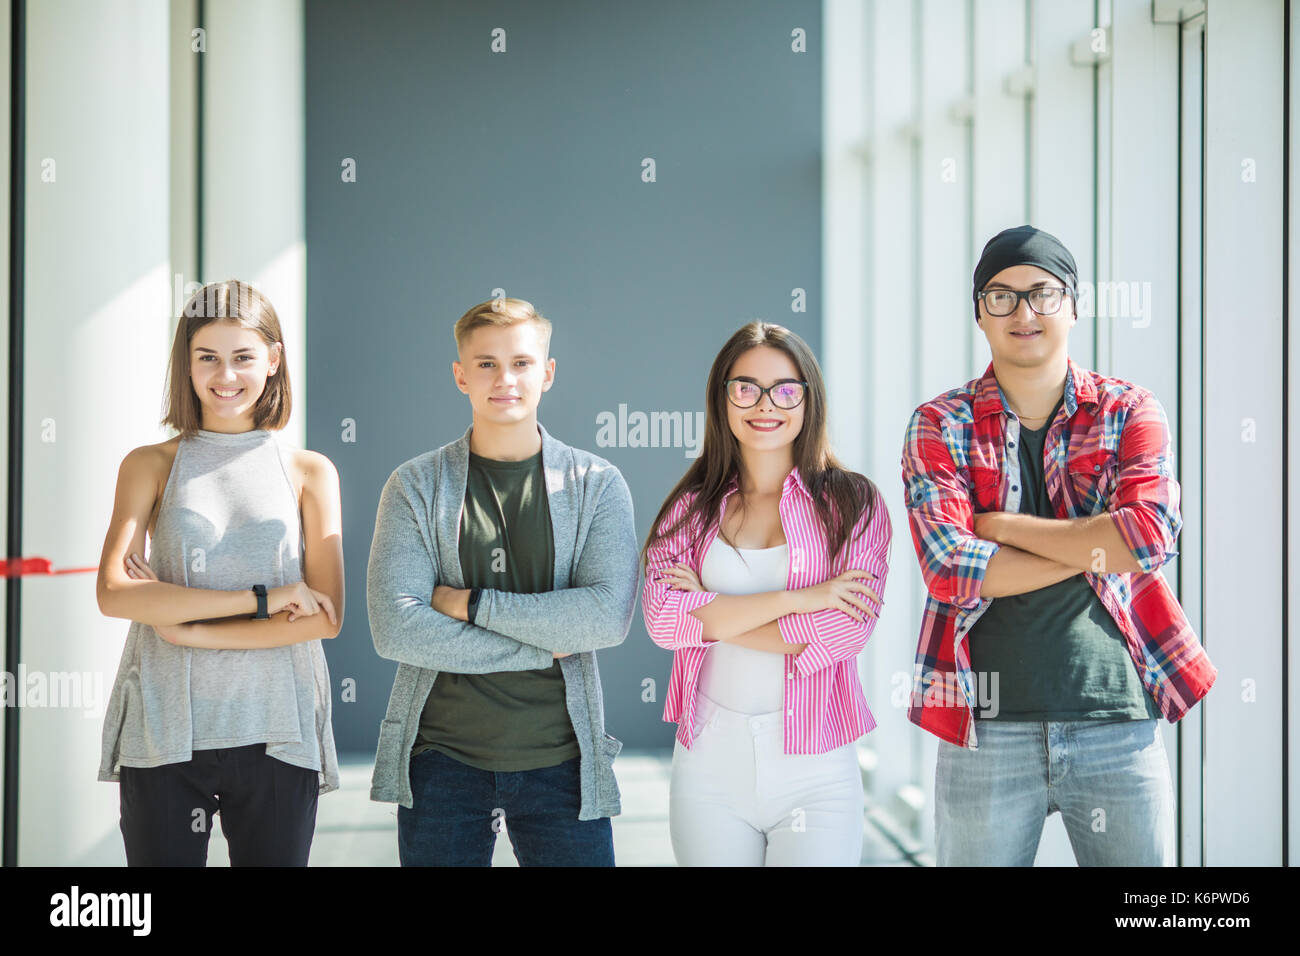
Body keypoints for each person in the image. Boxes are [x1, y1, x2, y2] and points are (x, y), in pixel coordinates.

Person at [901, 224, 1217, 866]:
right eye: (1002, 296)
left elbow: (1148, 538)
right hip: (982, 724)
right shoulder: (939, 422)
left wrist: (1002, 527)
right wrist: (1092, 542)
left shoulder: (1130, 410)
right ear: (980, 315)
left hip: (1116, 718)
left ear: (1073, 306)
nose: (1024, 312)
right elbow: (952, 569)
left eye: (1043, 293)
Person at [367, 296, 638, 867]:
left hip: (564, 762)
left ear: (548, 372)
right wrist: (544, 638)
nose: (504, 378)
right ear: (461, 375)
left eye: (520, 362)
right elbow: (396, 628)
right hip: (442, 762)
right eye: (486, 364)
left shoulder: (597, 483)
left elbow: (604, 617)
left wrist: (471, 603)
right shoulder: (415, 485)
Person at [97, 279, 344, 867]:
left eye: (243, 357)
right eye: (207, 356)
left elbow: (325, 620)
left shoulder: (309, 471)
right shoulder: (150, 464)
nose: (224, 375)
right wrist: (267, 599)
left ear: (274, 360)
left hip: (278, 726)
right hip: (165, 728)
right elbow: (113, 594)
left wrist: (185, 623)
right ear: (186, 363)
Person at [641, 321, 892, 866]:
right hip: (709, 764)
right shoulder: (689, 508)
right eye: (745, 387)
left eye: (785, 389)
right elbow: (663, 624)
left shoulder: (854, 504)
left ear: (808, 399)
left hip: (818, 766)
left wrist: (709, 611)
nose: (765, 404)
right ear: (723, 397)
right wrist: (800, 598)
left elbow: (843, 633)